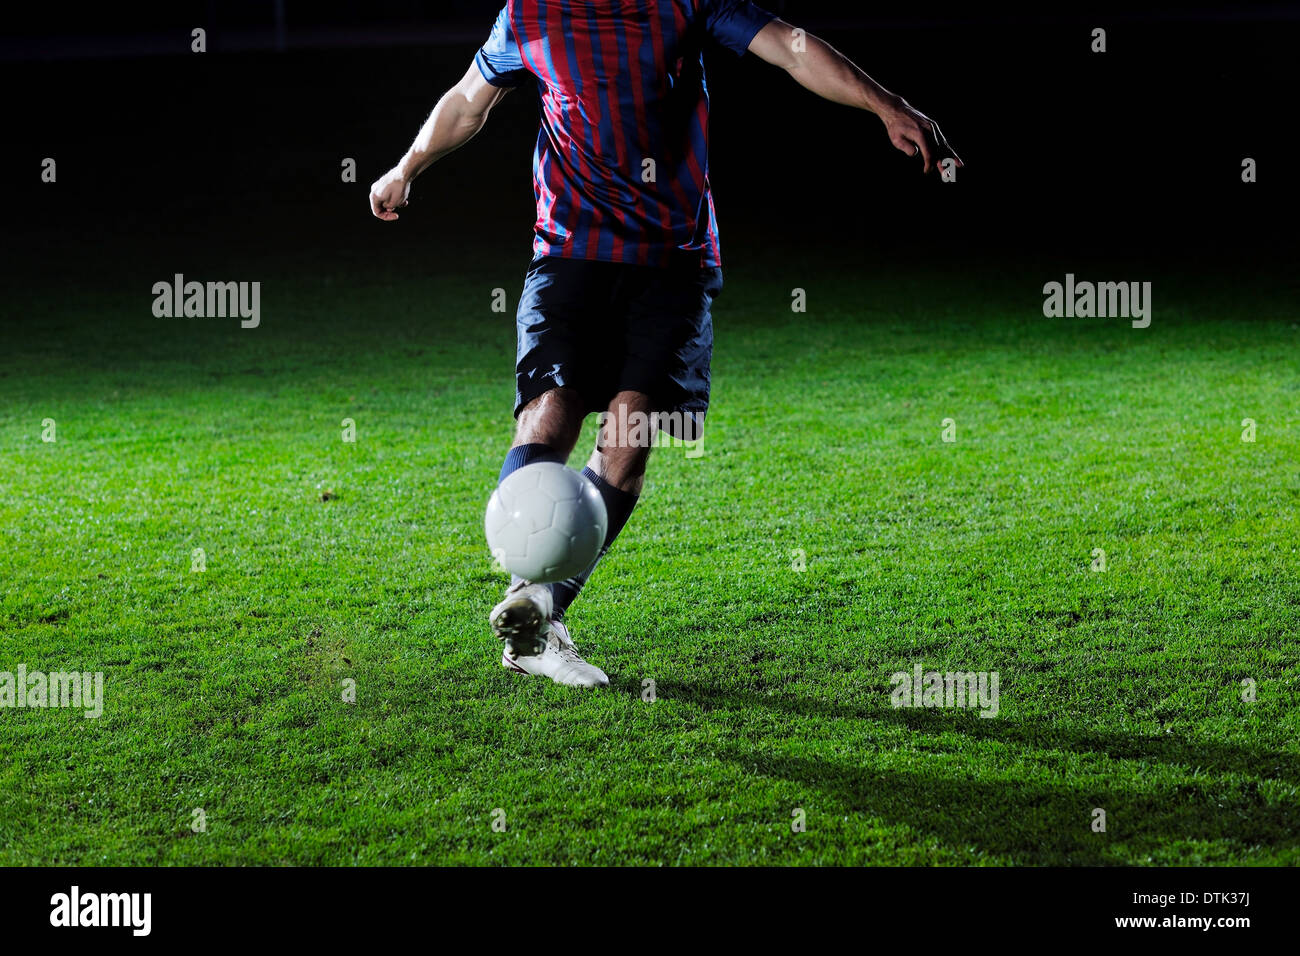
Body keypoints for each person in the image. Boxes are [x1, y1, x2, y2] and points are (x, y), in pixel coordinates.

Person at [369, 1, 961, 687]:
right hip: (569, 252)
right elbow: (471, 101)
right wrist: (406, 167)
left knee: (630, 436)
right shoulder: (529, 13)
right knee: (548, 413)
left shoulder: (683, 3)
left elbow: (793, 48)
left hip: (671, 261)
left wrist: (885, 105)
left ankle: (540, 611)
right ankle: (529, 598)